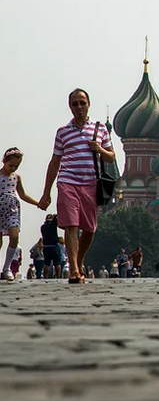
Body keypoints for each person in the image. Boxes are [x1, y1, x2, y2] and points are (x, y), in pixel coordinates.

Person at [38, 89, 116, 284]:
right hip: (68, 182)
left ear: (88, 104)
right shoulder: (63, 132)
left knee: (89, 229)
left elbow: (111, 155)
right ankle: (73, 270)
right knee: (71, 225)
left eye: (82, 102)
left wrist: (99, 149)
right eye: (75, 104)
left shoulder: (99, 129)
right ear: (70, 107)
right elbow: (54, 162)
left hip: (91, 183)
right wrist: (46, 192)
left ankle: (79, 260)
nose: (79, 107)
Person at [1, 148, 41, 281]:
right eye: (10, 165)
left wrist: (38, 203)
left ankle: (7, 268)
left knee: (14, 236)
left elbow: (23, 195)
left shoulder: (16, 177)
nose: (13, 168)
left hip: (12, 209)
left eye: (16, 166)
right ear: (4, 161)